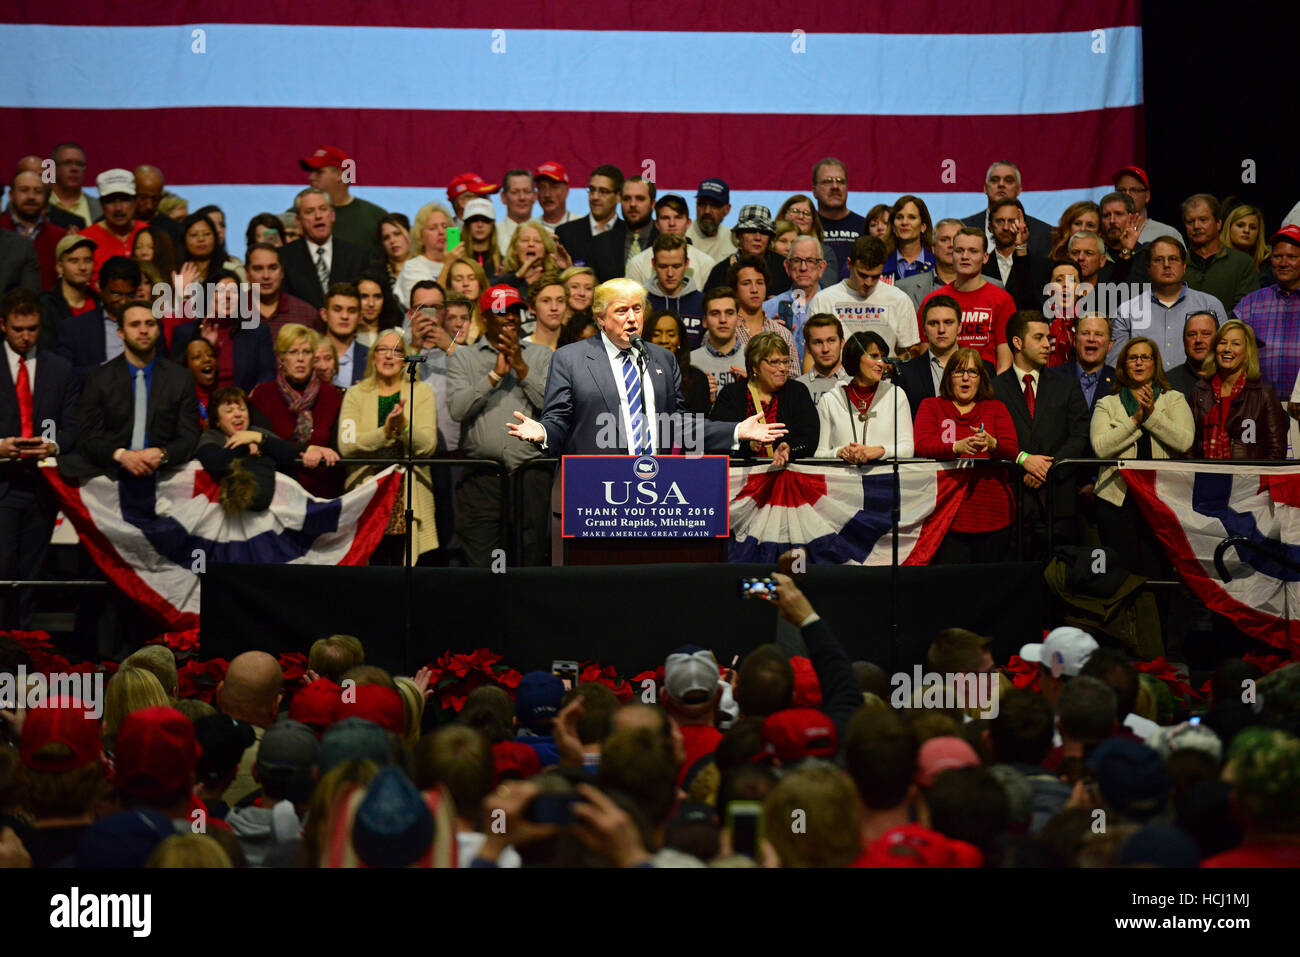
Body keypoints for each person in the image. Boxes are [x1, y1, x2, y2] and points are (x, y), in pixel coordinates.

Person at [507, 278, 786, 456]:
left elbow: (677, 425)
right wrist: (543, 432)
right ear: (601, 318)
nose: (631, 318)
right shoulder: (571, 359)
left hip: (654, 486)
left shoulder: (662, 359)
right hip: (595, 488)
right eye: (621, 311)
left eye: (637, 309)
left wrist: (736, 431)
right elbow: (560, 420)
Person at [446, 285, 552, 567]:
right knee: (485, 564)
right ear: (485, 317)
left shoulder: (541, 356)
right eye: (501, 311)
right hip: (482, 479)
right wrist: (494, 376)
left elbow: (553, 407)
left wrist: (522, 369)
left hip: (530, 477)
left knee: (529, 560)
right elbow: (457, 410)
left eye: (514, 311)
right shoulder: (463, 357)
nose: (510, 318)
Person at [0, 289, 77, 629]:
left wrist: (53, 446)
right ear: (3, 325)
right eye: (18, 329)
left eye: (32, 328)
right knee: (2, 571)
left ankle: (24, 650)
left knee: (30, 576)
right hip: (1, 484)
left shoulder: (59, 369)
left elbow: (73, 426)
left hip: (42, 489)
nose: (26, 336)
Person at [1091, 338, 1195, 577]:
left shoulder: (1174, 399)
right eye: (1132, 358)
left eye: (1145, 357)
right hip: (1117, 500)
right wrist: (1136, 420)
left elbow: (1184, 441)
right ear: (1124, 364)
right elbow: (1100, 447)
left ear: (1154, 363)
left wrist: (1152, 416)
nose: (1139, 363)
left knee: (1159, 570)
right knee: (1122, 572)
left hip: (1162, 500)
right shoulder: (1107, 403)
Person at [64, 300, 200, 479]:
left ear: (158, 330)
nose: (143, 330)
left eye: (150, 324)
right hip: (111, 477)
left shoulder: (181, 379)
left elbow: (189, 437)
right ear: (120, 332)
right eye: (135, 325)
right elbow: (87, 438)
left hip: (165, 477)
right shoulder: (98, 379)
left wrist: (163, 454)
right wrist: (120, 455)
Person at [992, 311, 1090, 553]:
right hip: (1011, 499)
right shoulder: (993, 389)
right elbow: (991, 441)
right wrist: (1024, 463)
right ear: (1017, 342)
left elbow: (1080, 435)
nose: (1048, 344)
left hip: (1058, 499)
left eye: (1048, 338)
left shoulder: (1066, 384)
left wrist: (1046, 467)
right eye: (1039, 338)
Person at [340, 327, 439, 563]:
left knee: (402, 565)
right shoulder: (355, 394)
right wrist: (384, 432)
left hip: (407, 494)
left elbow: (428, 446)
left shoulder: (421, 392)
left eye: (396, 351)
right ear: (373, 357)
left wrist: (404, 426)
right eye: (382, 350)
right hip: (367, 491)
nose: (388, 356)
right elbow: (346, 445)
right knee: (369, 564)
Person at [913, 349, 1020, 563]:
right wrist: (955, 447)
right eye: (958, 371)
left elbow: (1013, 450)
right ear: (948, 377)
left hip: (992, 513)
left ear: (981, 379)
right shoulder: (931, 406)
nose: (965, 377)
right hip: (945, 514)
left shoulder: (995, 408)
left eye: (972, 372)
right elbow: (922, 446)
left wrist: (992, 444)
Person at [196, 386, 339, 512]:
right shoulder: (211, 437)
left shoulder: (256, 432)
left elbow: (287, 451)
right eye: (229, 411)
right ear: (217, 420)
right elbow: (214, 463)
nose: (238, 414)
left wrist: (258, 439)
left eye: (242, 409)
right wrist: (244, 444)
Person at [249, 322, 346, 498]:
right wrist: (310, 449)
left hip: (324, 492)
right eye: (293, 352)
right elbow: (267, 444)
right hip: (279, 492)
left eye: (307, 352)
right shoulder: (263, 395)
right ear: (280, 359)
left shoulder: (333, 397)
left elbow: (337, 450)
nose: (300, 359)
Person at [1109, 235, 1227, 370]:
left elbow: (1223, 354)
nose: (1166, 265)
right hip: (1144, 389)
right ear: (1148, 268)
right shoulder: (1127, 310)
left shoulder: (1209, 305)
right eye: (1159, 260)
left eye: (1173, 259)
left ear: (1184, 266)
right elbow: (1115, 365)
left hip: (1198, 387)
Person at [709, 332, 818, 467]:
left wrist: (790, 448)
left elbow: (810, 438)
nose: (783, 368)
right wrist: (747, 446)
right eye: (774, 362)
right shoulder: (732, 395)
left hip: (787, 477)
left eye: (785, 361)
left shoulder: (798, 392)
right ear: (755, 366)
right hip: (742, 479)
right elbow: (719, 439)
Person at [919, 228, 1016, 373]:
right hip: (941, 384)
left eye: (973, 251)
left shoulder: (1002, 299)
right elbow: (924, 351)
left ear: (985, 257)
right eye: (959, 250)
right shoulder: (933, 300)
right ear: (952, 255)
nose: (965, 256)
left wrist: (994, 392)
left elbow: (1005, 359)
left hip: (986, 385)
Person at [808, 236, 919, 358]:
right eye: (862, 275)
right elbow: (810, 354)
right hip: (836, 376)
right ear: (849, 264)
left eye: (875, 276)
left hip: (884, 376)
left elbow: (910, 351)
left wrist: (889, 368)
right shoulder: (824, 299)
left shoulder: (899, 299)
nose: (868, 283)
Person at [1189, 320, 1286, 460]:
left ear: (1247, 352)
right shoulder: (1200, 391)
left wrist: (1255, 480)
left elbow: (1277, 450)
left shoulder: (1264, 394)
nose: (1227, 349)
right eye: (1222, 342)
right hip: (1206, 477)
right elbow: (1189, 444)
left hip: (1249, 479)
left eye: (1235, 343)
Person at [814, 330, 913, 463]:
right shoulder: (829, 400)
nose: (881, 363)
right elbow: (819, 453)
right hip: (842, 481)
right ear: (855, 357)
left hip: (884, 480)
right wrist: (839, 452)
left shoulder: (896, 395)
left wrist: (880, 451)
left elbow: (908, 448)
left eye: (882, 357)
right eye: (874, 356)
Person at [170, 270, 276, 392]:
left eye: (234, 291)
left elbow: (267, 376)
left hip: (245, 406)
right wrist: (205, 344)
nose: (227, 296)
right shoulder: (185, 333)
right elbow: (176, 379)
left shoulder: (257, 332)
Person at [1238, 226, 1300, 404]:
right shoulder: (1251, 303)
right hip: (1260, 408)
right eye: (1278, 256)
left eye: (1292, 257)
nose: (1283, 262)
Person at [280, 188, 370, 310]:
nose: (318, 216)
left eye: (323, 209)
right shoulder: (283, 257)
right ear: (299, 221)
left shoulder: (357, 255)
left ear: (332, 215)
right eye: (309, 211)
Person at [55, 255, 140, 384]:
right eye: (116, 294)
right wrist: (103, 371)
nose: (123, 301)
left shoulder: (150, 325)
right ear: (100, 288)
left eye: (130, 295)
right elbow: (64, 376)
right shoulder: (74, 329)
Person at [300, 145, 387, 259]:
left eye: (318, 172)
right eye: (311, 172)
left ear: (340, 175)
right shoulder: (298, 216)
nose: (311, 177)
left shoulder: (375, 217)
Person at [1181, 193, 1259, 310]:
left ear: (1218, 223)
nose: (1196, 226)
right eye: (1190, 222)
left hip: (1228, 327)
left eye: (1203, 220)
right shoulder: (1177, 264)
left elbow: (1245, 310)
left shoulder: (1242, 263)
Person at [960, 161, 1052, 257]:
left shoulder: (1044, 233)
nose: (1001, 184)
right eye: (995, 180)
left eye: (1008, 180)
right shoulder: (963, 227)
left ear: (1019, 189)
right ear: (985, 188)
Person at [625, 194, 715, 290]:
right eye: (665, 218)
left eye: (678, 217)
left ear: (688, 223)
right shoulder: (637, 264)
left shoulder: (706, 264)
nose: (672, 223)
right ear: (657, 224)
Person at [764, 235, 827, 368]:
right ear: (787, 267)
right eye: (797, 260)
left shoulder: (833, 305)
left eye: (810, 260)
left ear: (821, 268)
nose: (803, 267)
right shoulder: (768, 309)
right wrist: (768, 338)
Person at [2, 168, 67, 290]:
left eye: (38, 191)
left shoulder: (60, 236)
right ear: (11, 195)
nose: (31, 196)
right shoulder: (1, 228)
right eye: (24, 190)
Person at [79, 170, 147, 286]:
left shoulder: (149, 234)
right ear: (101, 204)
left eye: (124, 199)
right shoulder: (85, 240)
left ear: (135, 201)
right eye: (110, 201)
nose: (118, 208)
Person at [704, 206, 790, 297]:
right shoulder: (721, 271)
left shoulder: (784, 267)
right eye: (751, 231)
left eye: (763, 232)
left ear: (770, 238)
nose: (757, 238)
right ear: (738, 236)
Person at [984, 199, 1053, 311]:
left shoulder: (1043, 267)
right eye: (1000, 221)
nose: (1006, 227)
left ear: (1023, 225)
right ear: (990, 227)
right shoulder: (980, 266)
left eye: (1012, 221)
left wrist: (1021, 247)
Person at [555, 165, 624, 274]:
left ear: (618, 196)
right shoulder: (565, 233)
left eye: (603, 191)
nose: (595, 197)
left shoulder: (628, 234)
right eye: (592, 190)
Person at [246, 243, 322, 340]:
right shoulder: (233, 310)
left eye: (273, 268)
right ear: (247, 273)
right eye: (258, 269)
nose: (266, 276)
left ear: (282, 272)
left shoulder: (306, 314)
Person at [38, 234, 98, 352]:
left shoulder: (100, 302)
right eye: (74, 261)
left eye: (88, 260)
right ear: (60, 267)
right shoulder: (45, 305)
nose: (82, 267)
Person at [644, 234, 705, 348]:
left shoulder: (703, 303)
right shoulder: (640, 304)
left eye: (676, 266)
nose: (670, 274)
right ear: (653, 264)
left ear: (686, 264)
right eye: (663, 266)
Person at [811, 158, 866, 278]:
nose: (835, 186)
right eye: (827, 181)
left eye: (840, 181)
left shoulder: (866, 226)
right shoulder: (807, 226)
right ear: (814, 191)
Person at [729, 256, 796, 355]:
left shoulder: (782, 333)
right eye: (746, 283)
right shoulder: (724, 330)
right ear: (735, 290)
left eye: (760, 283)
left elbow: (793, 370)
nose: (754, 289)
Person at [690, 287, 746, 403]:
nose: (723, 320)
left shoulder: (754, 360)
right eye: (715, 313)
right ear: (704, 321)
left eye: (729, 313)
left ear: (739, 319)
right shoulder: (691, 362)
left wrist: (753, 390)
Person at [393, 202, 454, 307]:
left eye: (445, 226)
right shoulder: (412, 267)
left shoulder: (460, 263)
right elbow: (429, 305)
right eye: (433, 228)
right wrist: (448, 264)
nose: (441, 232)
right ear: (420, 237)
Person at [647, 310, 709, 413]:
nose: (664, 340)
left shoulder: (697, 379)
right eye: (656, 334)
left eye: (671, 335)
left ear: (680, 340)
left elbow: (699, 424)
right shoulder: (636, 375)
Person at [493, 220, 570, 297]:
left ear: (546, 249)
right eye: (525, 240)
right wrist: (517, 276)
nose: (531, 244)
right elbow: (487, 293)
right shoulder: (505, 280)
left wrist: (568, 269)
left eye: (537, 241)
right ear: (515, 249)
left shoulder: (558, 278)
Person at [776, 194, 839, 286]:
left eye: (806, 213)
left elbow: (827, 285)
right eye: (795, 211)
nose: (801, 216)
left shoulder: (824, 252)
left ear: (813, 221)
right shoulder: (769, 246)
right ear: (783, 215)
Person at [1111, 165, 1179, 244]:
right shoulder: (1107, 233)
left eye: (1134, 190)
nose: (1127, 195)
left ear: (1147, 196)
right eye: (1121, 190)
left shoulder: (1167, 234)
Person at [320, 283, 369, 388]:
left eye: (352, 311)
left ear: (360, 317)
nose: (344, 316)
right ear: (324, 314)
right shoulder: (308, 354)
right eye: (337, 309)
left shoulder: (371, 358)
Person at [796, 314, 850, 405]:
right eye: (818, 342)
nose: (825, 349)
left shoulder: (856, 382)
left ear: (842, 342)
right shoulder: (797, 388)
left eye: (831, 340)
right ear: (808, 348)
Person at [1166, 311, 1219, 402]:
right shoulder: (1167, 383)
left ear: (1219, 338)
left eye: (1206, 334)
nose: (1198, 340)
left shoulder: (1231, 378)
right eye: (1192, 334)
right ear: (1184, 340)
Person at [882, 195, 936, 282]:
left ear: (923, 226)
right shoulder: (879, 262)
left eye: (912, 217)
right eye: (899, 217)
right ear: (893, 226)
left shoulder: (936, 265)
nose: (904, 222)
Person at [48, 142, 100, 227]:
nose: (74, 169)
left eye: (79, 164)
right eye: (67, 163)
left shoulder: (99, 207)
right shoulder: (41, 203)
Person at [685, 178, 733, 264]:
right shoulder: (683, 236)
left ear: (727, 209)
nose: (707, 211)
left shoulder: (734, 240)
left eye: (714, 205)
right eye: (702, 204)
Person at [452, 198, 503, 277]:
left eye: (485, 219)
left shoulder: (502, 262)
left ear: (492, 223)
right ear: (467, 224)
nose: (480, 225)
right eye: (474, 219)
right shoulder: (455, 258)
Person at [495, 169, 538, 260]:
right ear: (503, 197)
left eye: (527, 192)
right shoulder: (493, 234)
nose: (522, 198)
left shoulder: (547, 234)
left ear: (535, 196)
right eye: (515, 192)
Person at [1221, 204, 1271, 277]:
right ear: (1229, 228)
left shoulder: (1267, 263)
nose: (1246, 230)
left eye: (1252, 227)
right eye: (1240, 225)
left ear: (1258, 233)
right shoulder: (1215, 259)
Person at [354, 272, 400, 348]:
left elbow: (413, 358)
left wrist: (415, 349)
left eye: (377, 297)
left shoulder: (398, 334)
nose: (371, 304)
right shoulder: (345, 335)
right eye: (364, 296)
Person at [184, 337, 217, 429]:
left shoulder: (222, 396)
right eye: (197, 357)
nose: (207, 359)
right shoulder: (178, 402)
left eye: (211, 355)